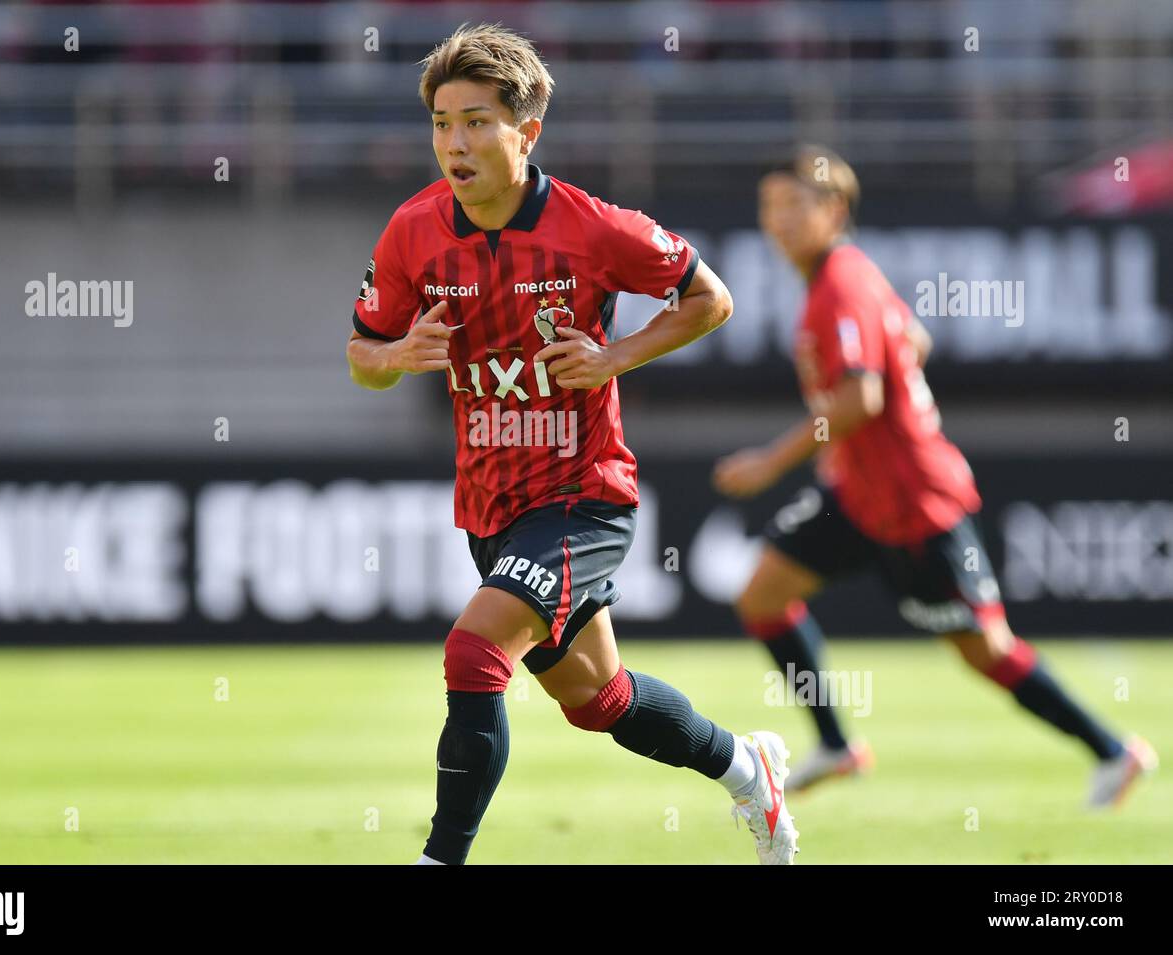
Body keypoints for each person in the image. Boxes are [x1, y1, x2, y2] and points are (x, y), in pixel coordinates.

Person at [346, 23, 799, 864]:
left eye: (477, 121)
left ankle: (439, 857)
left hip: (582, 497)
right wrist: (397, 357)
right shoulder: (412, 231)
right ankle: (749, 768)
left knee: (474, 650)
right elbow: (361, 356)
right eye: (442, 123)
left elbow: (710, 299)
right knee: (600, 700)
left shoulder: (593, 228)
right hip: (491, 508)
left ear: (527, 130)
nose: (456, 142)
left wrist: (614, 357)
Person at [713, 145, 1157, 805]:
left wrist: (769, 461)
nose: (777, 221)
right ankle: (837, 744)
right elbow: (913, 340)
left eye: (793, 206)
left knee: (987, 650)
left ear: (834, 210)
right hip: (859, 495)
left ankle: (1115, 750)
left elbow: (860, 399)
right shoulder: (851, 274)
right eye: (768, 207)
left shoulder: (839, 285)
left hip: (914, 501)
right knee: (763, 597)